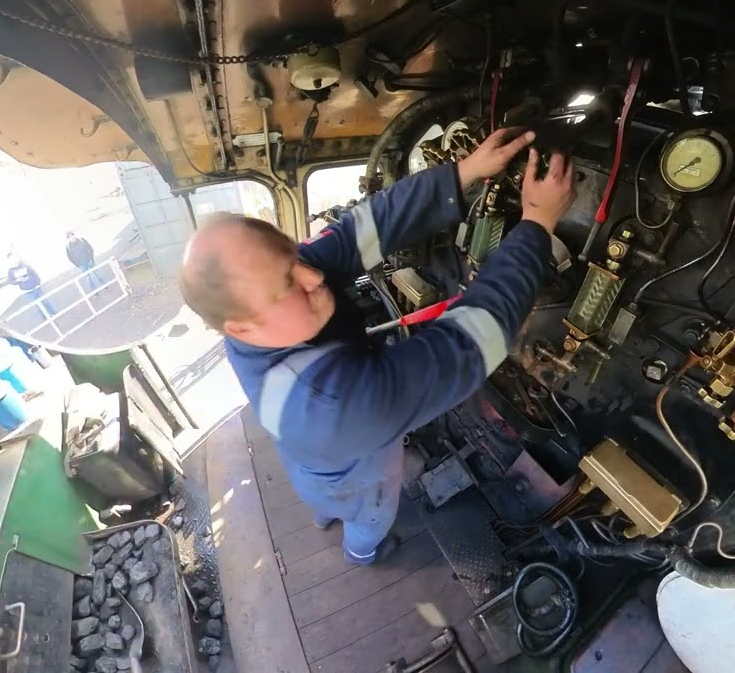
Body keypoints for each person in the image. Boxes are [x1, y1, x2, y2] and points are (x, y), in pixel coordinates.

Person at [178, 129, 575, 565]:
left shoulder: (250, 312)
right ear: (243, 329)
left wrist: (464, 173)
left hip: (305, 458)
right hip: (354, 473)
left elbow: (361, 230)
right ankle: (362, 553)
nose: (312, 277)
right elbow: (469, 343)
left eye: (295, 258)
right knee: (370, 513)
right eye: (288, 284)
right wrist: (537, 225)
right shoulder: (336, 406)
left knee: (319, 495)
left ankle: (323, 515)